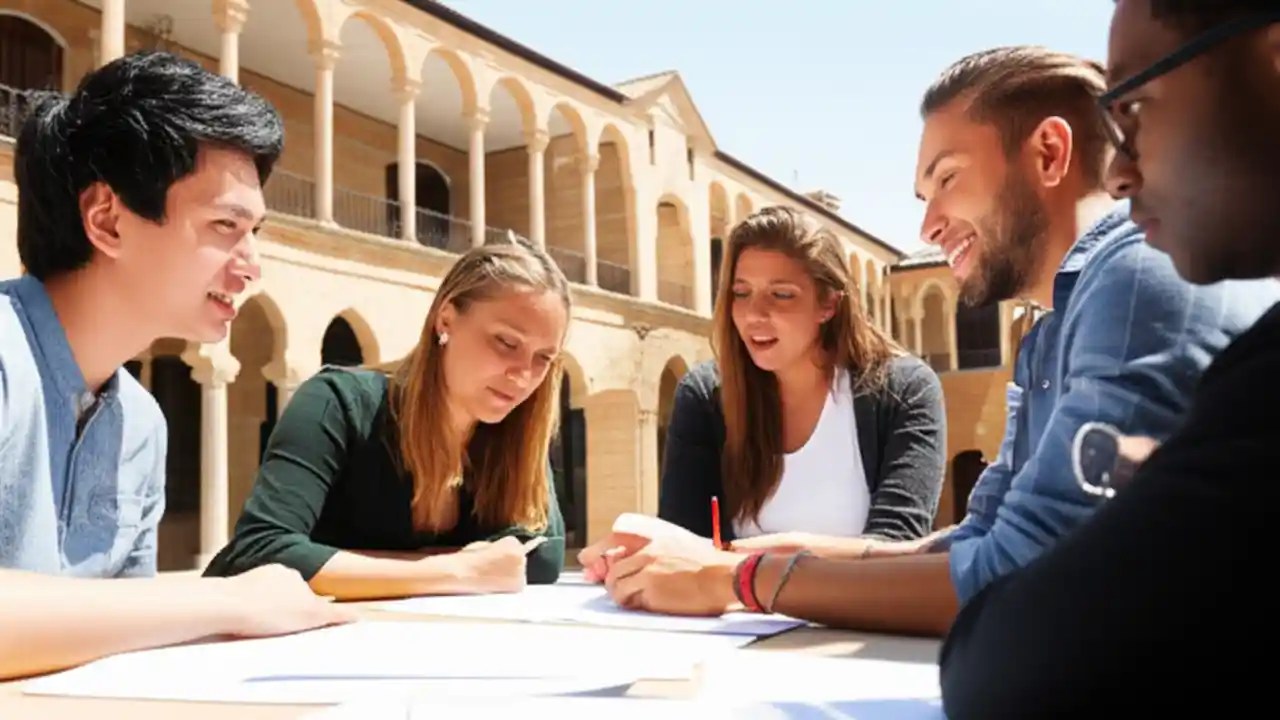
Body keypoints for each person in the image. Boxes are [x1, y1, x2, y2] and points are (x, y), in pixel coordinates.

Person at [589, 44, 1279, 637]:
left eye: (946, 178)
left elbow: (1015, 574)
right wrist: (753, 555)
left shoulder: (1131, 282)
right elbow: (972, 540)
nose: (928, 226)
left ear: (1049, 152)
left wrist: (744, 577)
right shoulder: (1055, 328)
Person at [938, 2, 1280, 716]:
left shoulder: (1138, 284)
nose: (1120, 172)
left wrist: (753, 579)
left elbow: (1015, 652)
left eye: (1136, 108)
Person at [0, 51, 351, 681]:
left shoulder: (140, 424)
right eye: (224, 225)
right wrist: (230, 597)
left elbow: (125, 638)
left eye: (255, 233)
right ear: (107, 219)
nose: (250, 265)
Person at [203, 240, 569, 600]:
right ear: (446, 320)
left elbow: (542, 554)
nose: (523, 376)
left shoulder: (515, 432)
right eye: (506, 343)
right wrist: (457, 571)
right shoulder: (337, 404)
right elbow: (257, 553)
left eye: (543, 359)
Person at [614, 206, 946, 566]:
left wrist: (752, 569)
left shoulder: (904, 391)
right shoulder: (706, 397)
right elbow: (681, 550)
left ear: (829, 304)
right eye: (741, 293)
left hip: (856, 623)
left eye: (781, 295)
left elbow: (894, 552)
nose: (754, 313)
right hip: (731, 622)